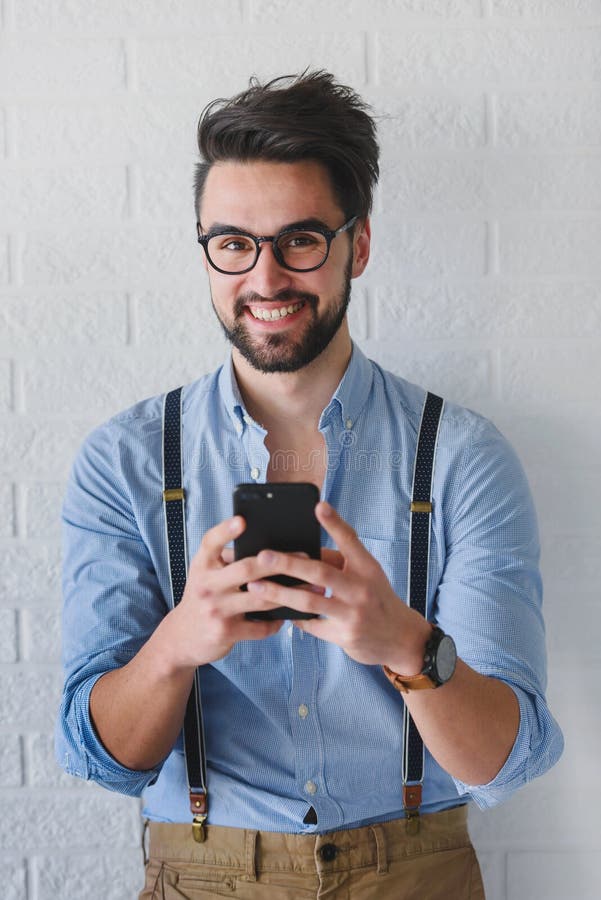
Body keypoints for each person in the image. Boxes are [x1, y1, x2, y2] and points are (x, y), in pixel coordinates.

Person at [56, 71, 563, 899]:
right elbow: (98, 758)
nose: (263, 279)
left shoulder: (463, 456)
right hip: (201, 874)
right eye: (232, 242)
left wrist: (404, 643)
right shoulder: (126, 462)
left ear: (356, 245)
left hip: (418, 874)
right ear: (206, 247)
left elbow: (505, 764)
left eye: (299, 240)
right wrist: (181, 640)